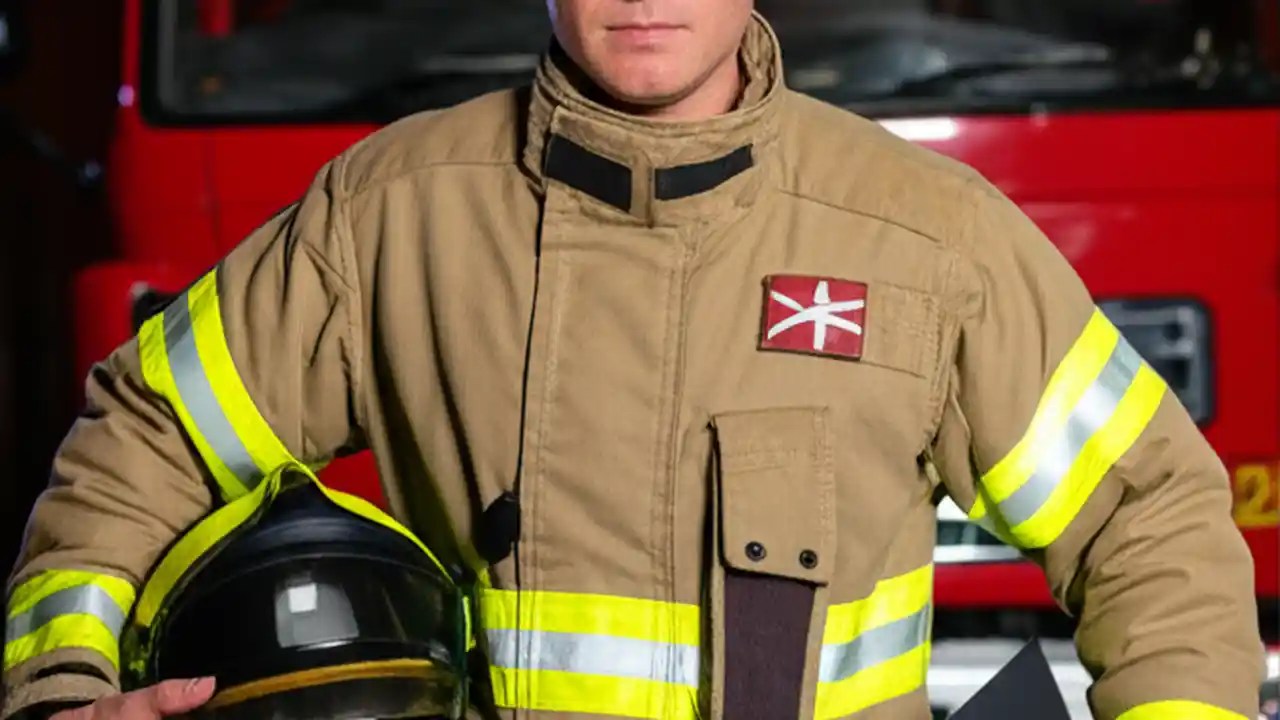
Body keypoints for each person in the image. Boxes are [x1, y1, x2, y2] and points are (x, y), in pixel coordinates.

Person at [2, 1, 1265, 718]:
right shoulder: (391, 220)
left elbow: (1145, 521)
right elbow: (145, 439)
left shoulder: (926, 240)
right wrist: (62, 686)